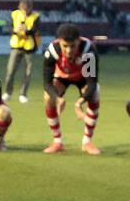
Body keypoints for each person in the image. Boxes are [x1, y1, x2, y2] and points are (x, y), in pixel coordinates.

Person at [42, 23, 100, 155]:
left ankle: (87, 142)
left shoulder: (87, 50)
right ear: (59, 42)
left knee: (95, 93)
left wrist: (80, 102)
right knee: (47, 97)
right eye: (65, 46)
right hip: (62, 77)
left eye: (72, 46)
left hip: (83, 77)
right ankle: (57, 141)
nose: (68, 50)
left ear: (78, 41)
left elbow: (91, 82)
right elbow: (46, 83)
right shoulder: (52, 51)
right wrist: (58, 99)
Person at [6, 0, 40, 103]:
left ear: (31, 9)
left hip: (29, 48)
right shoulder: (14, 15)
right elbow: (9, 28)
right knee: (10, 70)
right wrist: (15, 30)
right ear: (20, 8)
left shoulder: (36, 17)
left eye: (27, 10)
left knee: (28, 72)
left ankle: (23, 94)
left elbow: (35, 30)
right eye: (23, 10)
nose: (25, 12)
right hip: (16, 46)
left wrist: (25, 31)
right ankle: (7, 93)